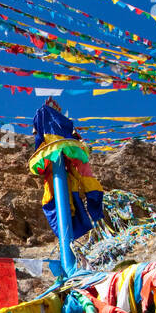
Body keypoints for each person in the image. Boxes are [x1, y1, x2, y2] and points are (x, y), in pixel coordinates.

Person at [29, 98, 103, 243]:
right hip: (58, 185)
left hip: (67, 183)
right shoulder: (63, 159)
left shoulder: (72, 160)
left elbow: (84, 173)